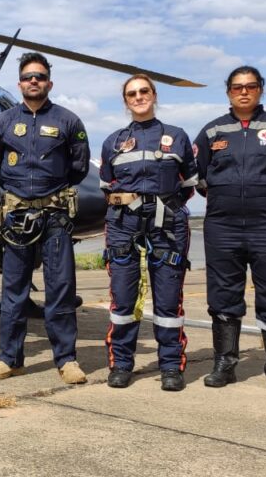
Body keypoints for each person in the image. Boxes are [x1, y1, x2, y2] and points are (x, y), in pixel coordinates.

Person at [193, 66, 266, 396]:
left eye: (251, 86)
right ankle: (225, 362)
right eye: (237, 87)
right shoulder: (212, 131)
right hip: (222, 224)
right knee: (224, 292)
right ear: (228, 91)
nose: (244, 92)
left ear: (260, 90)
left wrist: (263, 199)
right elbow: (199, 177)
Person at [0, 52, 91, 384]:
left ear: (49, 83)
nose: (34, 81)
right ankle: (10, 358)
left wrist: (50, 192)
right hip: (17, 217)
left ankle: (67, 359)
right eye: (29, 76)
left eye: (40, 76)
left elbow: (79, 167)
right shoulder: (2, 122)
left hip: (56, 217)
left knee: (60, 288)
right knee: (13, 289)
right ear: (19, 83)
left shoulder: (68, 121)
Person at [99, 74, 197, 391]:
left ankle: (170, 366)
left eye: (144, 91)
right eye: (132, 93)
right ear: (126, 101)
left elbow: (189, 185)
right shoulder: (113, 141)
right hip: (123, 226)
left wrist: (162, 208)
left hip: (167, 227)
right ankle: (121, 365)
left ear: (154, 95)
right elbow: (106, 186)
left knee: (168, 303)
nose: (138, 97)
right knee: (123, 301)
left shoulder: (177, 136)